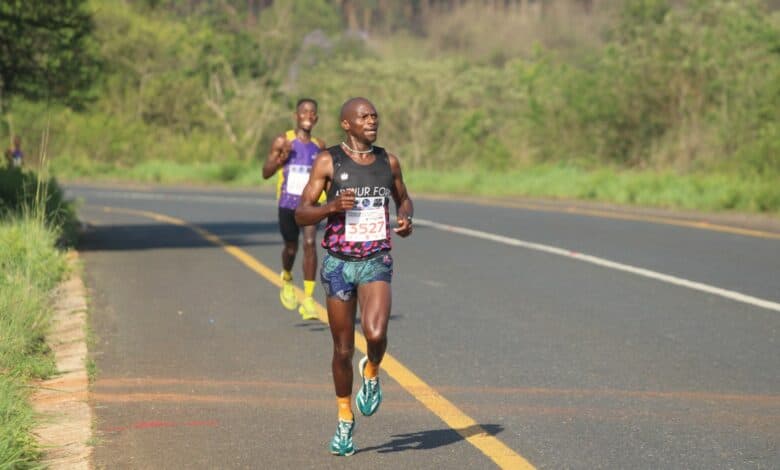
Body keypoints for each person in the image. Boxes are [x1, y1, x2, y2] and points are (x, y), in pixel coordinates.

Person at [295, 97, 414, 456]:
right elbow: (302, 212)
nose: (371, 121)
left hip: (376, 258)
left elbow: (404, 198)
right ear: (347, 124)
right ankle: (345, 420)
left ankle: (373, 369)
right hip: (339, 264)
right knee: (343, 349)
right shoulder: (328, 160)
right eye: (364, 117)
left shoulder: (387, 161)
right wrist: (331, 207)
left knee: (376, 334)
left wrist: (406, 218)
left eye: (375, 116)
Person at [262, 98, 326, 320]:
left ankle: (308, 299)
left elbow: (325, 176)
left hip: (309, 205)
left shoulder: (320, 146)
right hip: (287, 205)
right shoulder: (284, 140)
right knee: (291, 247)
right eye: (304, 112)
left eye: (312, 113)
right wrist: (281, 158)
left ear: (316, 118)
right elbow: (266, 172)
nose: (308, 115)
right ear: (296, 116)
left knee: (310, 243)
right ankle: (287, 276)